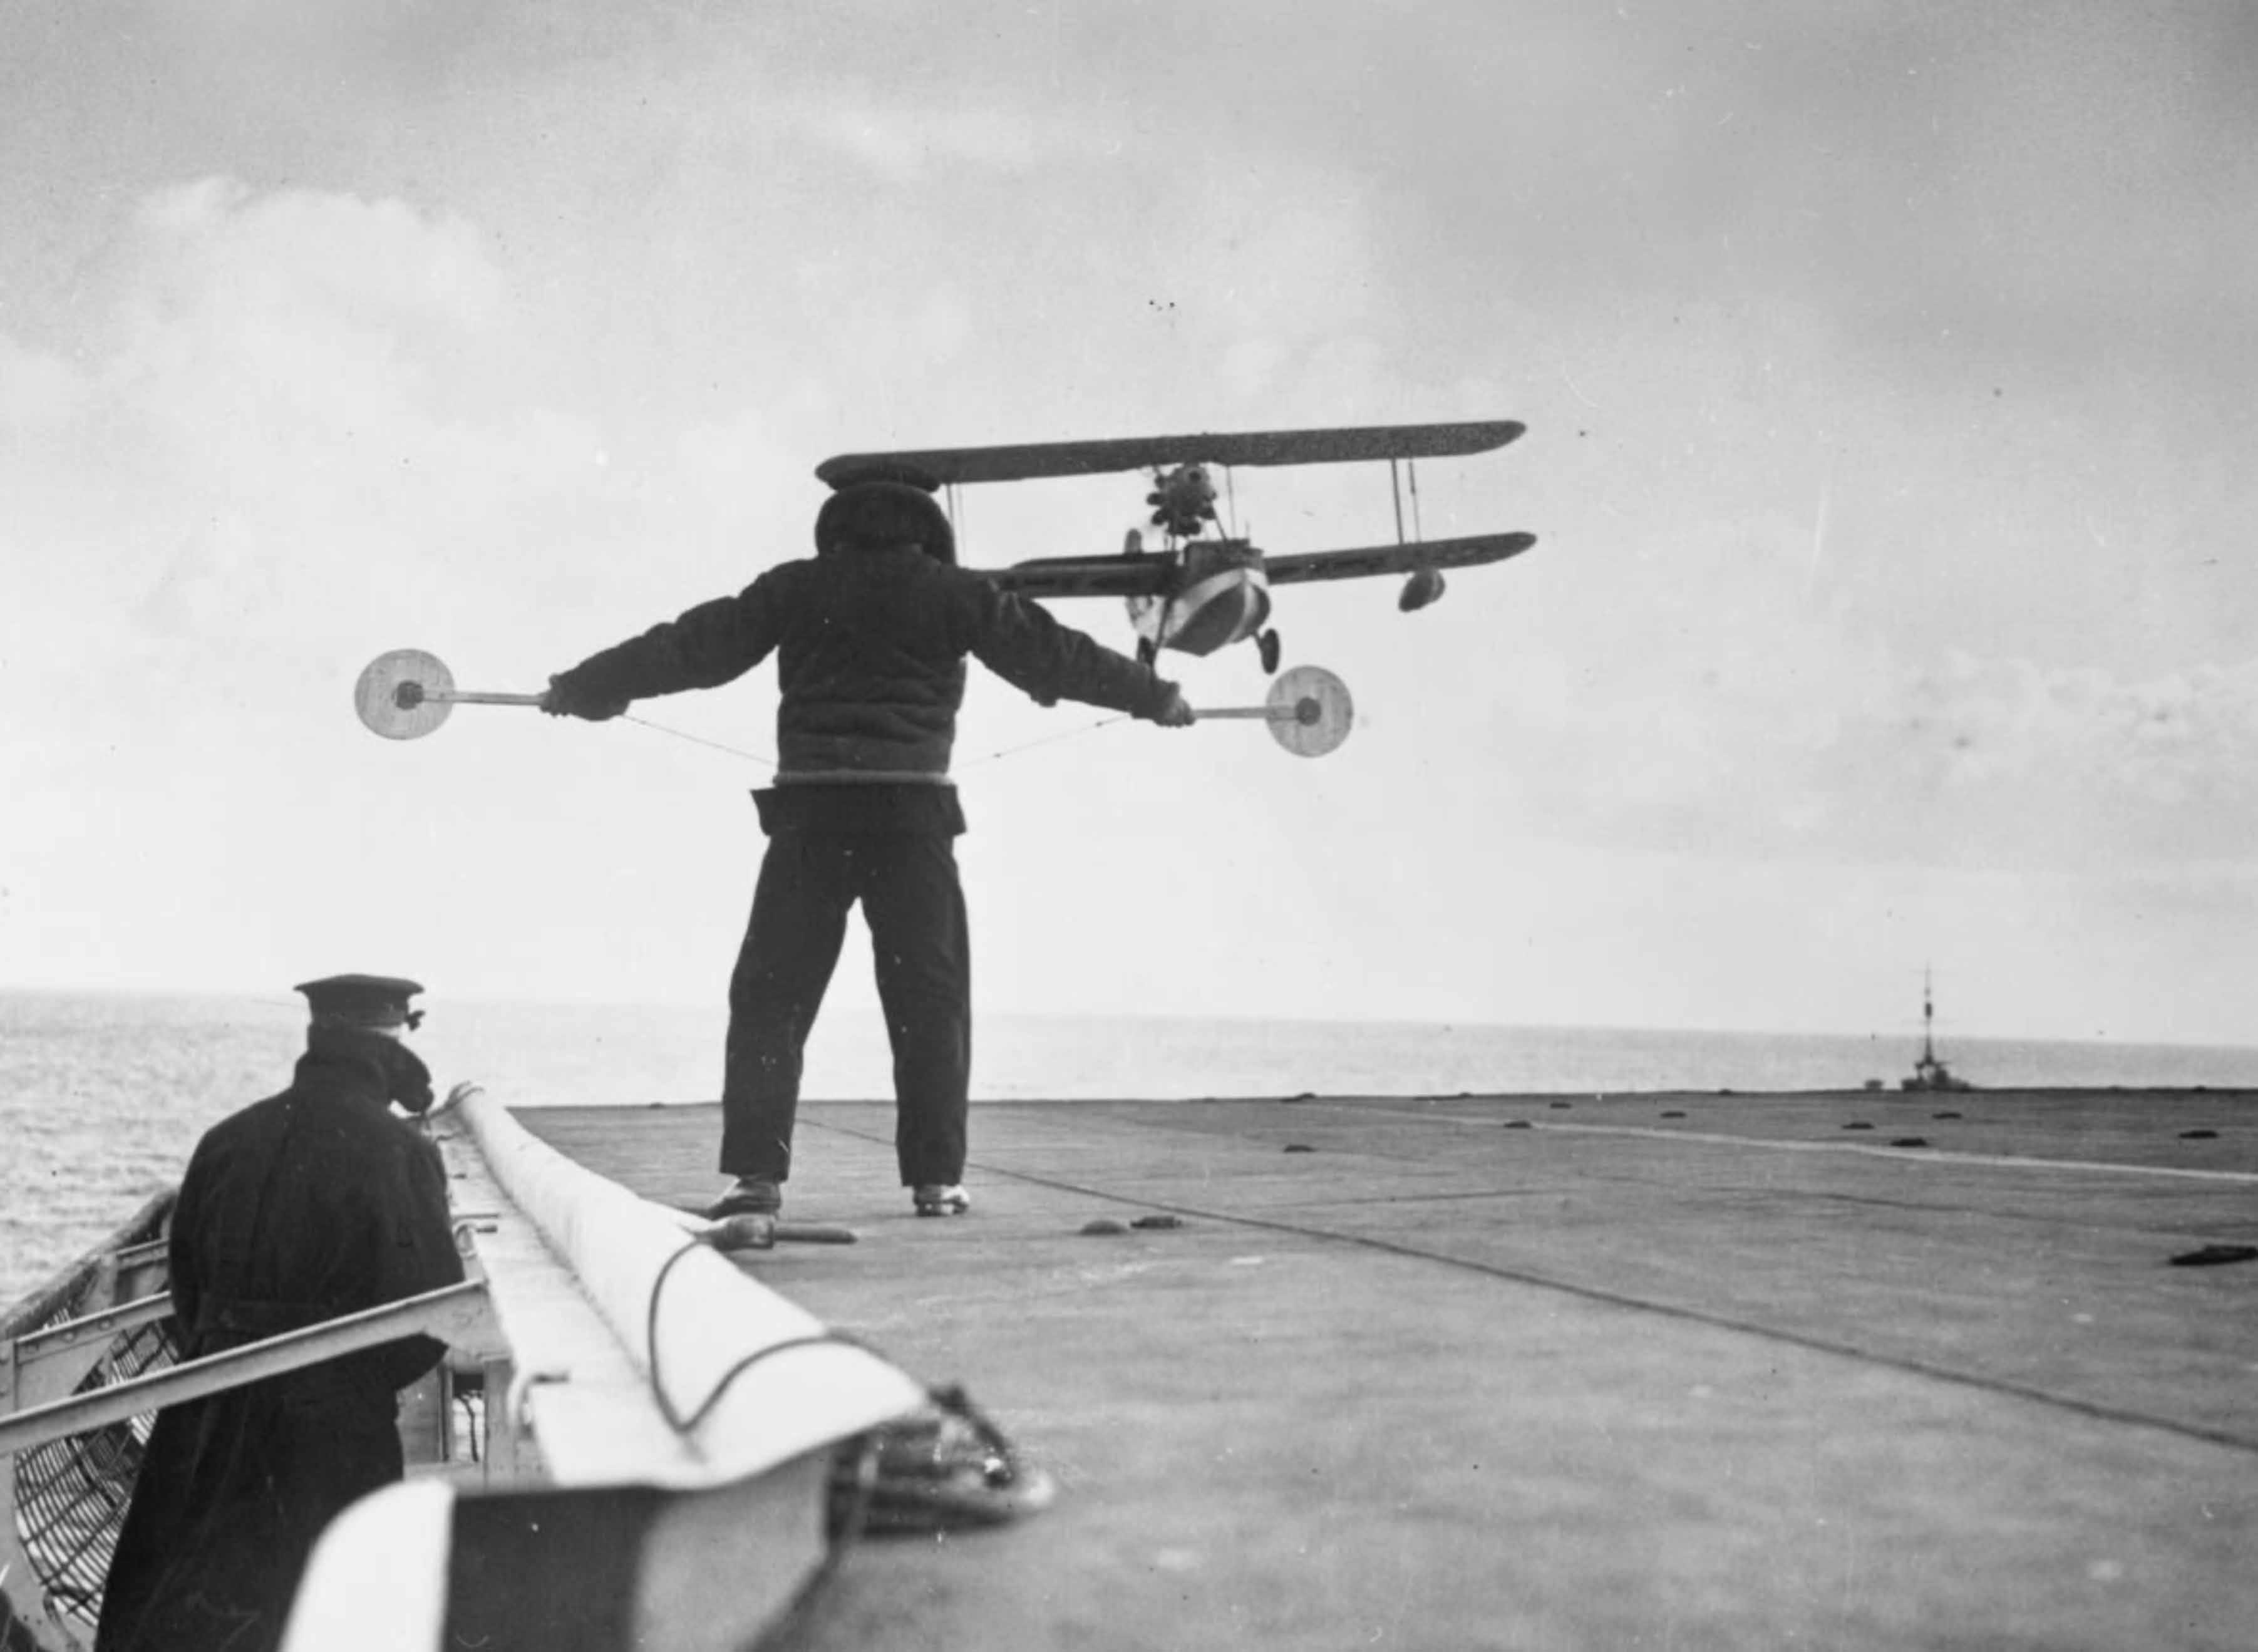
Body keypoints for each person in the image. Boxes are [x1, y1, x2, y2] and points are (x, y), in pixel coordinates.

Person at [542, 473, 1195, 1220]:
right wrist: (1155, 696)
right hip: (912, 819)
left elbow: (692, 648)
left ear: (837, 525)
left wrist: (588, 687)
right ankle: (936, 1181)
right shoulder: (958, 592)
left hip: (809, 818)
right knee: (929, 1002)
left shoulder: (797, 586)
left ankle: (756, 1177)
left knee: (771, 998)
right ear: (925, 527)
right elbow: (1058, 657)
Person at [96, 975, 470, 1652]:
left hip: (206, 1410)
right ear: (392, 1042)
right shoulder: (403, 1152)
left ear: (316, 1036)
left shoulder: (225, 1139)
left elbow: (186, 1286)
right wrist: (352, 1383)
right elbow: (430, 1311)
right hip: (332, 1429)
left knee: (189, 1606)